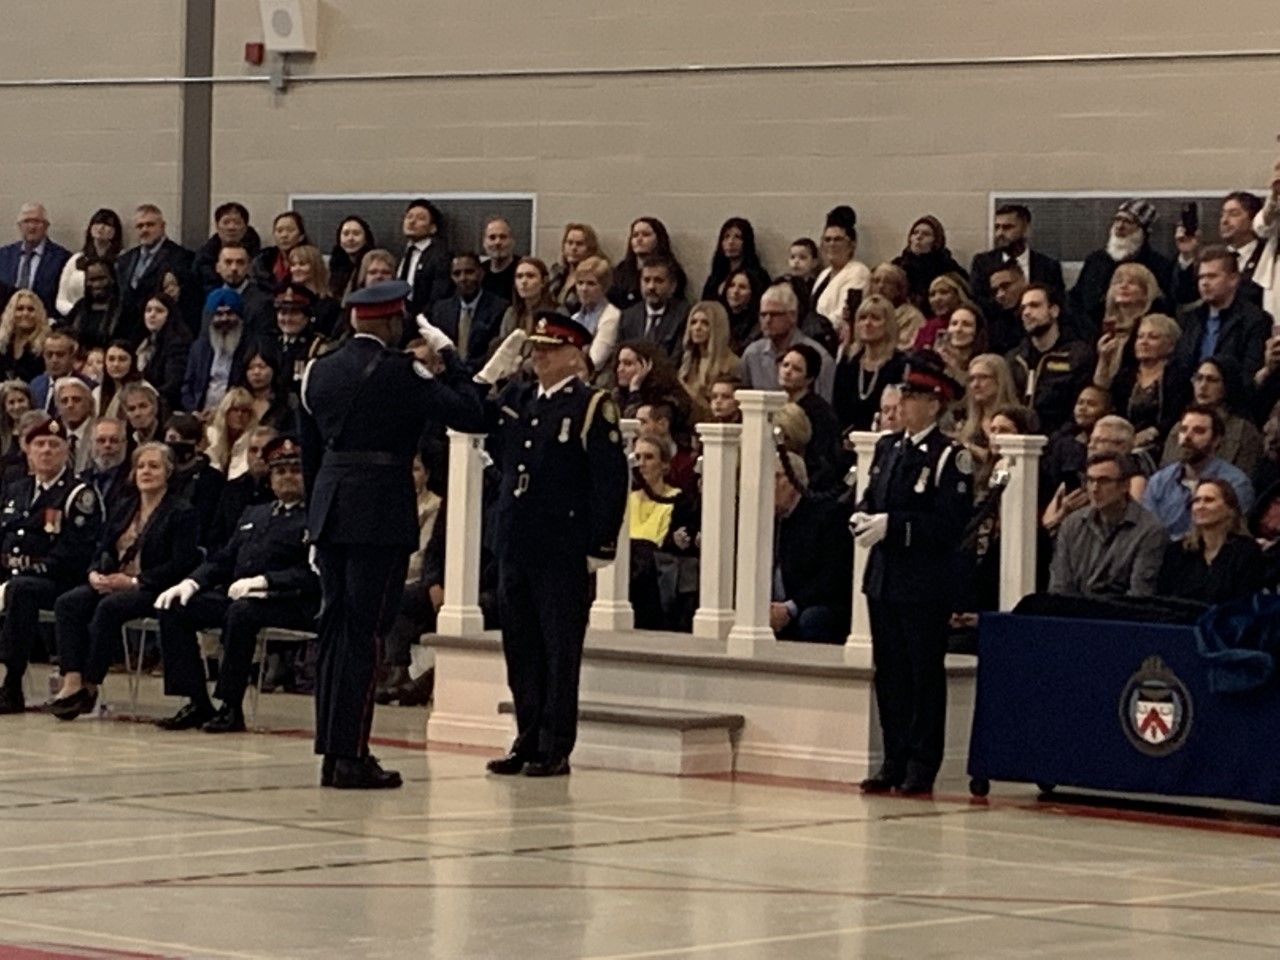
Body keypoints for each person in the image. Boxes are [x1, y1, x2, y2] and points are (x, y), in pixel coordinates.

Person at [300, 279, 484, 789]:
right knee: (365, 634)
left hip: (331, 509)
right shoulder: (404, 372)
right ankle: (353, 755)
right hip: (378, 511)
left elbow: (310, 452)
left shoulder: (317, 371)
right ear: (388, 321)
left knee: (335, 630)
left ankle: (333, 752)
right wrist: (452, 357)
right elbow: (472, 412)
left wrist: (316, 522)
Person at [475, 312, 629, 778]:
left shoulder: (590, 406)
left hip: (561, 546)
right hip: (517, 542)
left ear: (572, 355)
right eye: (535, 348)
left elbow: (609, 483)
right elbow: (479, 421)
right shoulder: (519, 397)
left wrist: (598, 545)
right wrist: (485, 379)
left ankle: (554, 744)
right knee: (520, 648)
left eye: (548, 348)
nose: (538, 356)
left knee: (559, 650)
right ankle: (526, 737)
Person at [854, 350, 972, 796]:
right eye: (902, 394)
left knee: (923, 674)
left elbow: (948, 526)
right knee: (891, 674)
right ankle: (893, 757)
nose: (902, 403)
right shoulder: (888, 448)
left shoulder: (948, 457)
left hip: (923, 582)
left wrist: (895, 525)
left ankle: (923, 763)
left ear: (934, 403)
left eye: (913, 395)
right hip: (884, 577)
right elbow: (872, 496)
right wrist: (864, 518)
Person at [153, 435, 318, 733]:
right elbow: (224, 559)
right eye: (280, 472)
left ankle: (230, 705)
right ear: (270, 477)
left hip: (289, 601)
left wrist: (266, 582)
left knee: (241, 614)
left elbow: (314, 572)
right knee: (176, 608)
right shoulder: (255, 513)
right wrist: (192, 582)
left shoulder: (316, 517)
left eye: (295, 471)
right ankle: (196, 699)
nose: (288, 478)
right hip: (242, 596)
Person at [48, 442, 200, 720]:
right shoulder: (124, 506)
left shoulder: (181, 511)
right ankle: (72, 679)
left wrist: (134, 581)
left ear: (168, 471)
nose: (146, 472)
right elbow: (102, 547)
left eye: (154, 466)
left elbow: (182, 563)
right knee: (68, 603)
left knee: (110, 608)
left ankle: (90, 684)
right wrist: (94, 573)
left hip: (152, 587)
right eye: (141, 466)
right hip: (113, 579)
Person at [0, 418, 102, 713]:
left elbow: (74, 553)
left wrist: (21, 574)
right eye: (39, 445)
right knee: (18, 588)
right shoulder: (16, 489)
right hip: (15, 577)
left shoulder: (77, 494)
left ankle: (12, 683)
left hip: (59, 580)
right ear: (27, 451)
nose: (46, 451)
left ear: (65, 452)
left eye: (54, 445)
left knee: (21, 591)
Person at [1048, 451, 1167, 597]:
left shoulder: (1149, 530)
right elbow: (1060, 585)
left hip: (1119, 616)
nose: (1094, 488)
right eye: (1090, 480)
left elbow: (1140, 593)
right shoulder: (1072, 524)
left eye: (1103, 481)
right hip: (1074, 613)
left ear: (1125, 486)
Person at [374, 454, 443, 706]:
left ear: (427, 474)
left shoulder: (434, 505)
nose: (410, 475)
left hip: (419, 577)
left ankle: (397, 669)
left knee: (398, 597)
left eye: (415, 469)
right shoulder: (390, 504)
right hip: (393, 574)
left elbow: (422, 555)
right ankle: (389, 671)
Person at [773, 452, 853, 641]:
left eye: (777, 476)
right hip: (774, 602)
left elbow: (832, 578)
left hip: (812, 603)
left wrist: (789, 607)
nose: (769, 483)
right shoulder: (765, 519)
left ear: (796, 482)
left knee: (813, 618)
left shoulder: (825, 517)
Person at [1143, 405, 1255, 539]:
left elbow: (1231, 533)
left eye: (1199, 431)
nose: (1187, 437)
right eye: (1183, 430)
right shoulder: (1159, 481)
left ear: (1216, 440)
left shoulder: (1235, 483)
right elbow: (1147, 531)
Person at [1174, 245, 1271, 390]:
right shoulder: (1190, 318)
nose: (1204, 283)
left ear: (1233, 279)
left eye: (1212, 276)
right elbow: (1181, 366)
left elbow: (1249, 373)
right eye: (1201, 277)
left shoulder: (1255, 320)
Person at [1069, 200, 1174, 333]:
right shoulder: (1096, 261)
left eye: (1127, 221)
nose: (1119, 226)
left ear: (1143, 230)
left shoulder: (1158, 265)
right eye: (1117, 219)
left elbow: (1165, 307)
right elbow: (1076, 301)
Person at [1157, 478, 1263, 604]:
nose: (1201, 506)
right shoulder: (1177, 551)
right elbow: (1163, 598)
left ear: (1229, 509)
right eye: (1196, 501)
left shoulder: (1246, 551)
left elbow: (1245, 602)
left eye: (1209, 500)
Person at [1006, 283, 1093, 435]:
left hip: (1062, 439)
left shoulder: (1078, 355)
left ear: (1054, 311)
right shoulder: (1014, 359)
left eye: (1034, 305)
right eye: (1023, 308)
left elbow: (1081, 407)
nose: (1026, 312)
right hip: (1018, 441)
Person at [1096, 313, 1187, 455]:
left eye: (1153, 337)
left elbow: (1176, 416)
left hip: (1163, 444)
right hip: (1123, 440)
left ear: (1170, 346)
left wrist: (1150, 434)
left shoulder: (1178, 376)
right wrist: (1103, 358)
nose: (1144, 342)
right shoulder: (1125, 376)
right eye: (1140, 337)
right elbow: (1102, 392)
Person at [1160, 356, 1261, 478]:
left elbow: (1244, 478)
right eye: (1198, 378)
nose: (1203, 386)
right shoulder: (1179, 428)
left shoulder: (1245, 432)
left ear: (1227, 384)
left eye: (1212, 380)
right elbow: (1165, 475)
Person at [740, 282, 834, 401]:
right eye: (763, 315)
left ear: (793, 316)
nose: (767, 320)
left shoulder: (819, 357)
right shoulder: (752, 354)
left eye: (774, 314)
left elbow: (825, 405)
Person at [115, 204, 195, 335]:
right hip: (129, 332)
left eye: (150, 225)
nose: (145, 230)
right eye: (140, 226)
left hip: (163, 331)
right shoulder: (125, 260)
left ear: (162, 226)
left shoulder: (181, 257)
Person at [970, 204, 1066, 310]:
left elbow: (1057, 303)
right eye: (997, 227)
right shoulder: (983, 263)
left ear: (1026, 229)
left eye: (1007, 227)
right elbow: (977, 303)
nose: (999, 233)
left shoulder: (1048, 266)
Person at [833, 294, 905, 430]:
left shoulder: (900, 364)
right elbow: (837, 407)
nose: (867, 323)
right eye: (862, 318)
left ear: (888, 324)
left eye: (875, 318)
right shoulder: (848, 363)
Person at [428, 251, 507, 366]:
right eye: (457, 274)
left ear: (481, 273)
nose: (463, 278)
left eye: (469, 272)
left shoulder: (499, 308)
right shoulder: (440, 310)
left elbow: (494, 352)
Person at [779, 343, 841, 485]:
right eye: (785, 365)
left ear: (809, 379)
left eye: (796, 369)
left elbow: (822, 458)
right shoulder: (777, 404)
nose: (787, 371)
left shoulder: (820, 413)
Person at [182, 289, 250, 413]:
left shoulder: (249, 348)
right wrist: (194, 411)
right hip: (201, 413)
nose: (224, 319)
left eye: (230, 313)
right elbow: (187, 387)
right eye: (218, 314)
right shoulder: (199, 348)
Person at [0, 202, 72, 317]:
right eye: (27, 221)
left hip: (45, 325)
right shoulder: (3, 256)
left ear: (46, 226)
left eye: (37, 222)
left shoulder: (62, 258)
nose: (32, 227)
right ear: (19, 226)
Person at [617, 257, 690, 362]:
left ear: (673, 286)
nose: (651, 286)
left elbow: (676, 359)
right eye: (646, 280)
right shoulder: (628, 316)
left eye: (658, 281)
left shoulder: (683, 315)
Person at [607, 217, 687, 310]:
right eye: (635, 235)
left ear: (658, 238)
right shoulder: (621, 270)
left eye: (646, 235)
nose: (639, 239)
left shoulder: (671, 269)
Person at [56, 208, 124, 317]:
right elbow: (61, 299)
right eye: (97, 223)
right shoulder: (75, 259)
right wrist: (77, 313)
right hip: (74, 317)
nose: (101, 227)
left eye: (107, 225)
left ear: (115, 232)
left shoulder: (122, 260)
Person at [893, 215, 968, 311]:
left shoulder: (948, 267)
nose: (919, 237)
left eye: (926, 234)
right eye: (915, 233)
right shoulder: (898, 266)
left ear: (936, 241)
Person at [134, 292, 191, 413]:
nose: (152, 315)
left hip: (167, 407)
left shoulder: (177, 343)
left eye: (159, 311)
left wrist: (146, 398)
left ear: (169, 315)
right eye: (148, 310)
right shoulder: (143, 342)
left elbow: (173, 384)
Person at [812, 205, 869, 325]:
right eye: (827, 240)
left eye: (837, 239)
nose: (831, 244)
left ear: (851, 244)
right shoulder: (824, 273)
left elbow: (842, 316)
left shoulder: (858, 272)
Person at [677, 300, 740, 407]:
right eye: (693, 322)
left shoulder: (732, 365)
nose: (697, 328)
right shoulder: (687, 364)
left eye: (705, 323)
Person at [397, 199, 451, 316]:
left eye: (420, 218)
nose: (412, 222)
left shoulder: (439, 257)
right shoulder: (402, 253)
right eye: (409, 217)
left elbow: (438, 296)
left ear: (433, 228)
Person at [570, 255, 622, 375]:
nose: (584, 289)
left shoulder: (611, 316)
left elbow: (595, 361)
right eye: (580, 283)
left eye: (591, 284)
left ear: (604, 287)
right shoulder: (575, 318)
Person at [701, 217, 770, 301]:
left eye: (737, 237)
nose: (730, 242)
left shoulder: (759, 277)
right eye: (726, 237)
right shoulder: (715, 278)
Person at [64, 258, 125, 349]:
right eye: (91, 280)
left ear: (112, 279)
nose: (96, 284)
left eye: (101, 279)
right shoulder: (79, 307)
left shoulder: (125, 310)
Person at [868, 263, 929, 350]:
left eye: (887, 282)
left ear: (898, 289)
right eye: (876, 281)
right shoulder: (864, 313)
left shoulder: (911, 317)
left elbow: (906, 348)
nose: (881, 286)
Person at [286, 244, 341, 338]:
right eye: (293, 265)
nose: (296, 269)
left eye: (302, 264)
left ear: (315, 266)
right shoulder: (287, 300)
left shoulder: (331, 305)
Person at [548, 222, 602, 314]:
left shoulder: (595, 277)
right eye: (569, 243)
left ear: (590, 248)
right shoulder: (557, 273)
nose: (573, 248)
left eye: (579, 244)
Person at [498, 256, 557, 338]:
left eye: (530, 276)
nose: (524, 281)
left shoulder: (557, 313)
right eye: (519, 276)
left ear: (543, 281)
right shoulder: (511, 313)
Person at [0, 289, 50, 384]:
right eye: (20, 309)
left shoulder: (46, 345)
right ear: (11, 313)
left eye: (31, 309)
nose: (25, 313)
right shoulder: (3, 343)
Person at [251, 211, 308, 293]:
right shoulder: (261, 261)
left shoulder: (311, 262)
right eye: (279, 231)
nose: (284, 235)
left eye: (290, 230)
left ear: (301, 236)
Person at [82, 417, 130, 513]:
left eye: (114, 440)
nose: (107, 445)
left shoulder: (133, 480)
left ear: (124, 445)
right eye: (101, 440)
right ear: (91, 445)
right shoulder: (80, 480)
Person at [29, 331, 79, 414]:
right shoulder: (35, 385)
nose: (54, 360)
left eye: (60, 354)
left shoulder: (86, 386)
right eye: (49, 355)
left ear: (72, 357)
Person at [54, 376, 96, 474]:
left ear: (89, 404)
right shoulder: (53, 434)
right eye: (64, 401)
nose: (70, 405)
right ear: (58, 408)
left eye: (76, 400)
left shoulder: (100, 432)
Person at [480, 216, 519, 303]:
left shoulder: (523, 270)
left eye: (503, 237)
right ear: (484, 243)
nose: (497, 242)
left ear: (512, 241)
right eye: (492, 237)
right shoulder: (479, 272)